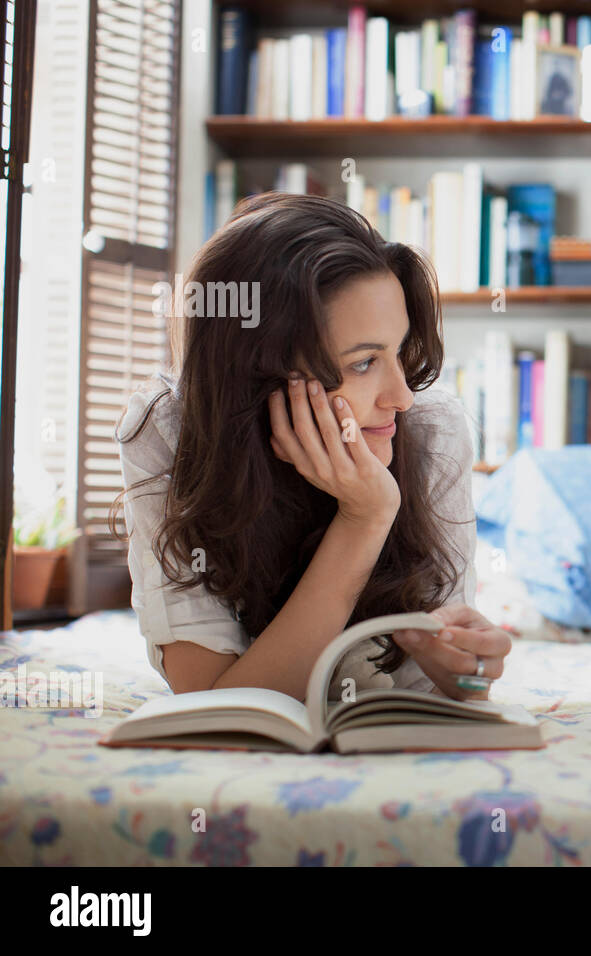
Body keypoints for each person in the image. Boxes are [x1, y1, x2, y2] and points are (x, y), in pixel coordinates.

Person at [112, 192, 511, 703]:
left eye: (398, 351)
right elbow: (216, 702)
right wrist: (365, 518)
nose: (402, 396)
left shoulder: (433, 430)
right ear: (258, 373)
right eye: (363, 363)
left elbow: (438, 676)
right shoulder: (167, 429)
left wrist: (463, 669)